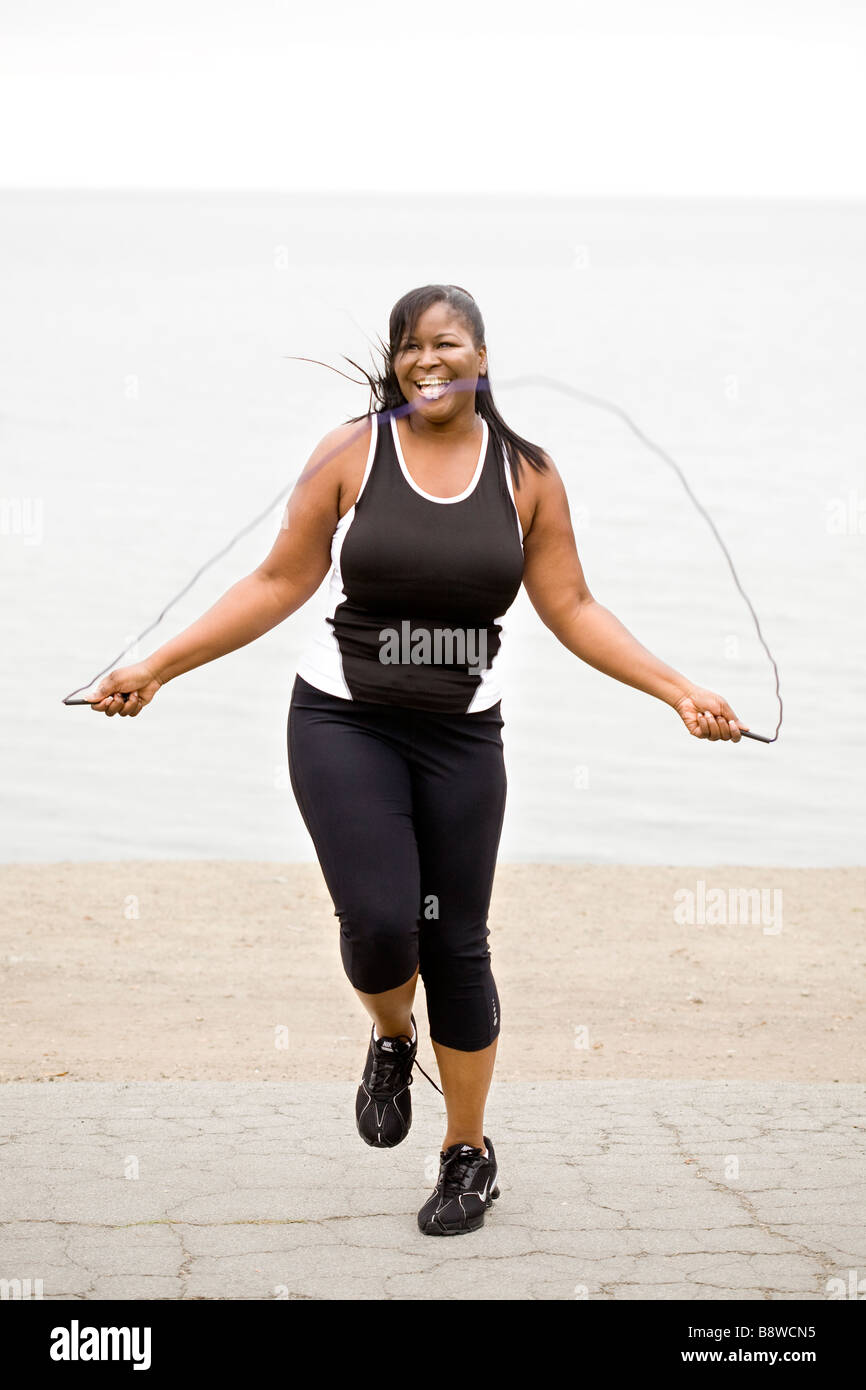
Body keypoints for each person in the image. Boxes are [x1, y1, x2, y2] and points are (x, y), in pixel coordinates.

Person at [86, 283, 748, 1237]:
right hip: (343, 721)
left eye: (446, 344)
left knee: (459, 943)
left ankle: (466, 1154)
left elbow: (571, 606)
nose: (426, 361)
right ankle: (391, 1036)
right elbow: (279, 579)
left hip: (463, 733)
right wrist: (159, 665)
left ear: (483, 357)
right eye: (409, 348)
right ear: (395, 362)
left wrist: (678, 687)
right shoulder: (352, 452)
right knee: (383, 925)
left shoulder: (527, 474)